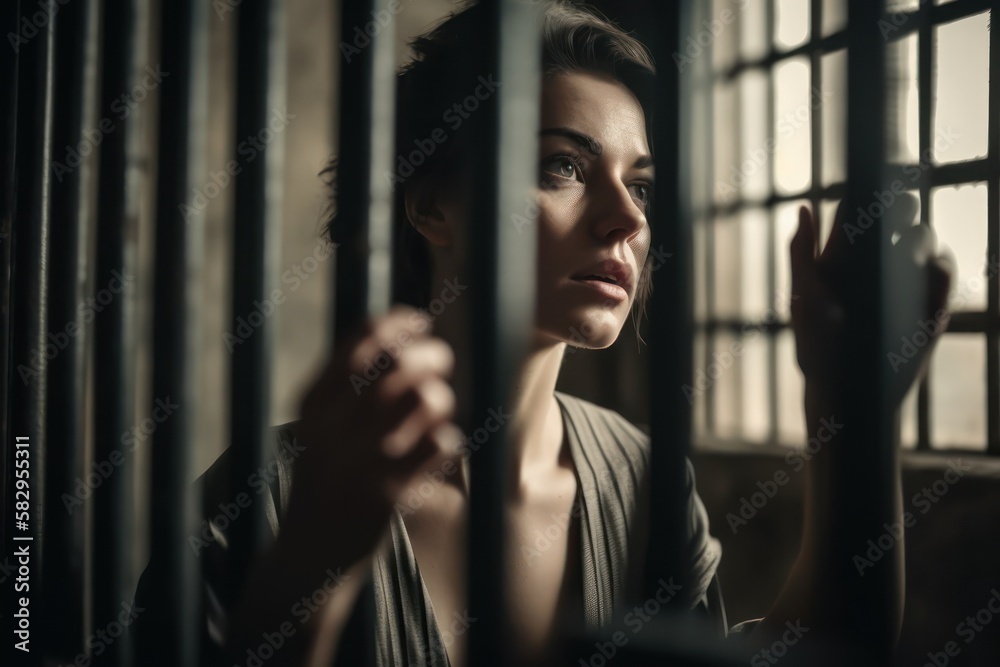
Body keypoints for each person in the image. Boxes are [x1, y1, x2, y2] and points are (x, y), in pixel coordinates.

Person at [133, 1, 954, 665]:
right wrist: (315, 558)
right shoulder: (265, 496)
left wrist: (852, 416)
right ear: (429, 204)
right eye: (561, 164)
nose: (626, 216)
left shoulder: (641, 480)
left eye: (640, 182)